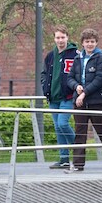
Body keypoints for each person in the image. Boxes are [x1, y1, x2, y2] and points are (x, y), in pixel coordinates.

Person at [66, 28, 102, 172]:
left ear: (96, 43)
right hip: (80, 101)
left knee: (100, 129)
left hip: (95, 101)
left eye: (92, 41)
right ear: (82, 43)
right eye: (87, 42)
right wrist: (76, 86)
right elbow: (70, 78)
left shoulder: (101, 58)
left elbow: (99, 79)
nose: (90, 44)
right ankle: (78, 164)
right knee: (80, 131)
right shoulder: (78, 58)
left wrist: (84, 93)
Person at [41, 27, 80, 169]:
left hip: (67, 96)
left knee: (63, 124)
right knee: (58, 127)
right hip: (53, 97)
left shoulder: (75, 54)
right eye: (57, 37)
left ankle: (79, 147)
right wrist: (44, 85)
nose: (60, 40)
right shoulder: (51, 55)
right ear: (54, 39)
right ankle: (63, 158)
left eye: (62, 37)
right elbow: (44, 73)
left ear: (67, 37)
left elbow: (79, 73)